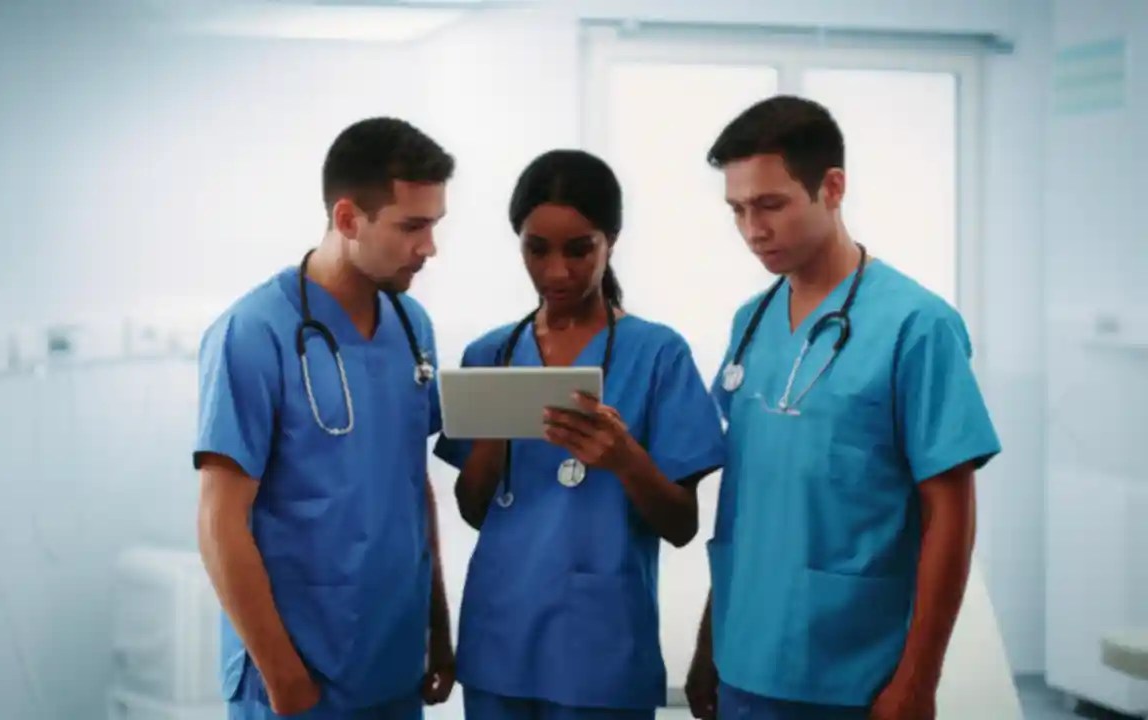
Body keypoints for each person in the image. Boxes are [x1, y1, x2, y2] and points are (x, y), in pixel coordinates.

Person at [683, 95, 1002, 720]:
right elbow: (746, 504)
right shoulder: (751, 323)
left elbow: (951, 513)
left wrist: (918, 680)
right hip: (745, 660)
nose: (753, 229)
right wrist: (710, 644)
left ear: (832, 188)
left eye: (771, 205)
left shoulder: (917, 325)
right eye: (738, 210)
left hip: (855, 673)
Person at [433, 149, 728, 720]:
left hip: (601, 647)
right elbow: (474, 511)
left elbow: (681, 525)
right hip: (500, 638)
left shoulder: (658, 354)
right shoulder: (490, 355)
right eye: (536, 249)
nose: (557, 271)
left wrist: (625, 460)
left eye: (579, 249)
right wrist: (496, 433)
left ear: (610, 240)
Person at [193, 117, 458, 720]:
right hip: (297, 678)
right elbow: (219, 523)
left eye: (435, 225)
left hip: (392, 666)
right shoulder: (252, 334)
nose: (429, 247)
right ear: (347, 219)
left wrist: (436, 629)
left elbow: (411, 488)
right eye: (412, 226)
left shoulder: (412, 328)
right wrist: (285, 682)